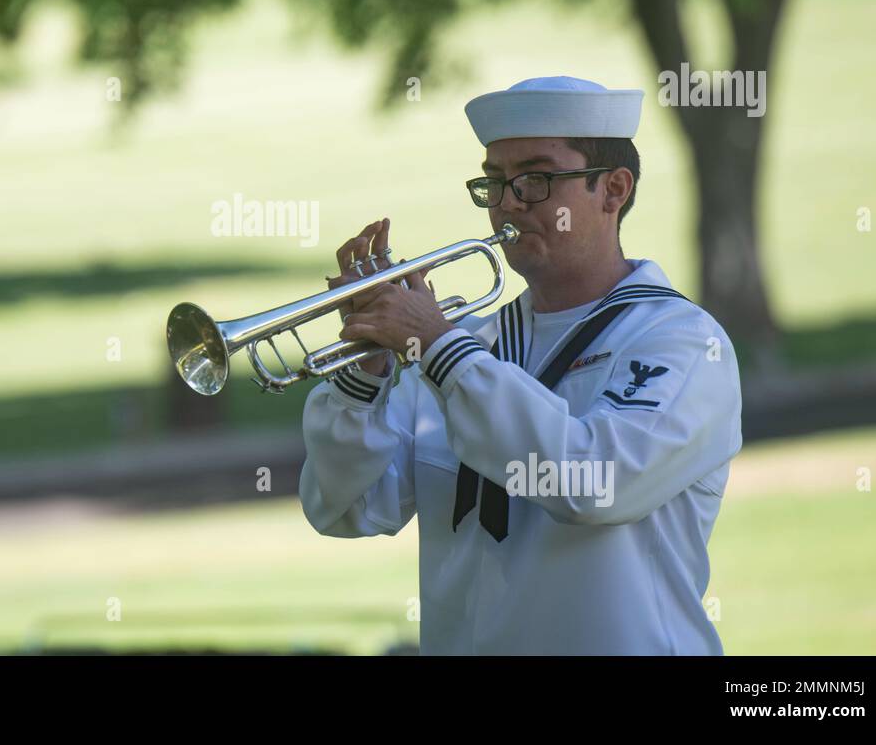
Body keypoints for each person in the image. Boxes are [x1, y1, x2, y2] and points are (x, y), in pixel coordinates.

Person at [298, 76, 743, 654]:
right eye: (495, 182)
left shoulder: (681, 342)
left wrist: (438, 347)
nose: (508, 202)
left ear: (612, 189)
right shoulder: (464, 346)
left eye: (536, 179)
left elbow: (595, 484)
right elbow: (346, 510)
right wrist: (367, 372)